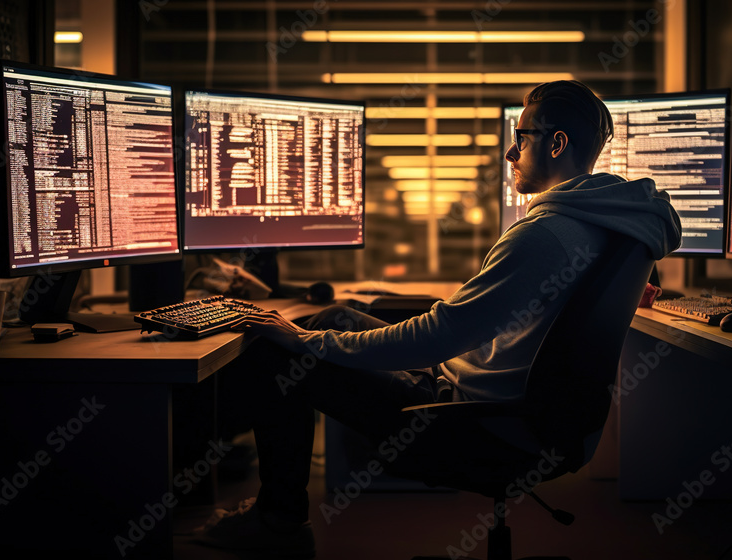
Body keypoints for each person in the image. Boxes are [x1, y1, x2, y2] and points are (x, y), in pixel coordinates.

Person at [192, 80, 682, 557]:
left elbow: (438, 336)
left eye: (522, 137)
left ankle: (277, 523)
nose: (510, 153)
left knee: (275, 353)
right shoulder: (619, 221)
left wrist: (304, 342)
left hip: (477, 423)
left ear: (557, 144)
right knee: (337, 316)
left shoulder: (546, 233)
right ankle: (273, 505)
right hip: (527, 414)